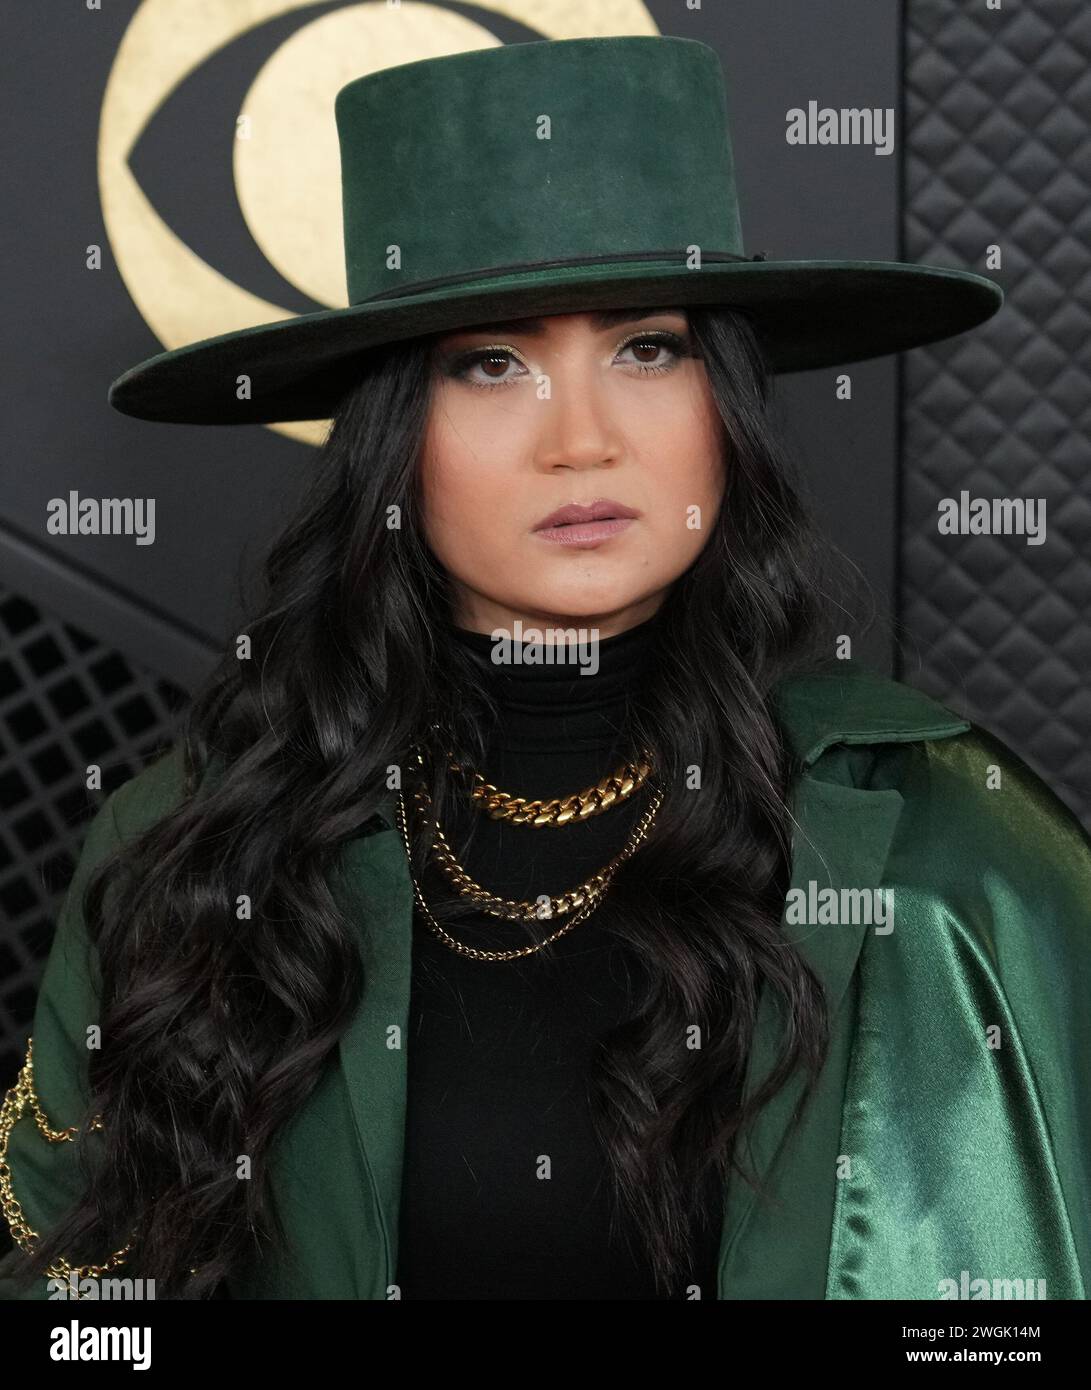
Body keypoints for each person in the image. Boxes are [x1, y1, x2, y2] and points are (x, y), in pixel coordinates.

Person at [1, 36, 1088, 1302]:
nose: (581, 440)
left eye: (645, 350)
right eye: (489, 362)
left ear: (722, 406)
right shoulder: (187, 848)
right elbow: (74, 1311)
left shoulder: (949, 846)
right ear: (391, 436)